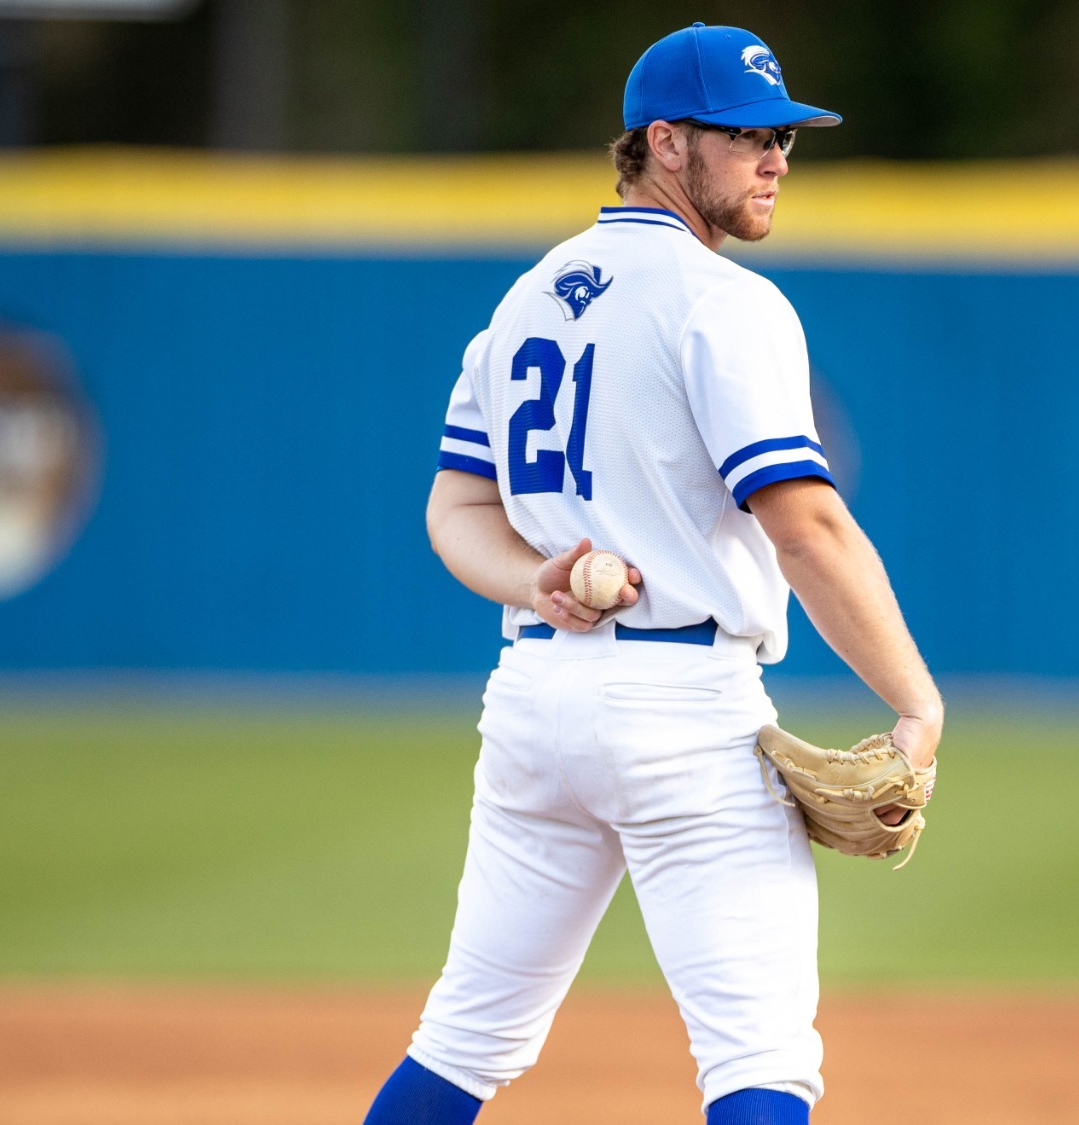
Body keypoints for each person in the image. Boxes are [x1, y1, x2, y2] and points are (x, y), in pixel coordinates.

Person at [364, 23, 942, 1125]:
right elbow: (808, 529)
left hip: (536, 703)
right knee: (761, 1057)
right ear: (665, 142)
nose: (775, 159)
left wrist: (531, 580)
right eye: (747, 137)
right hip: (682, 708)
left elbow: (454, 510)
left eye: (783, 138)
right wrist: (917, 705)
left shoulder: (526, 298)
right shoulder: (723, 301)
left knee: (465, 1036)